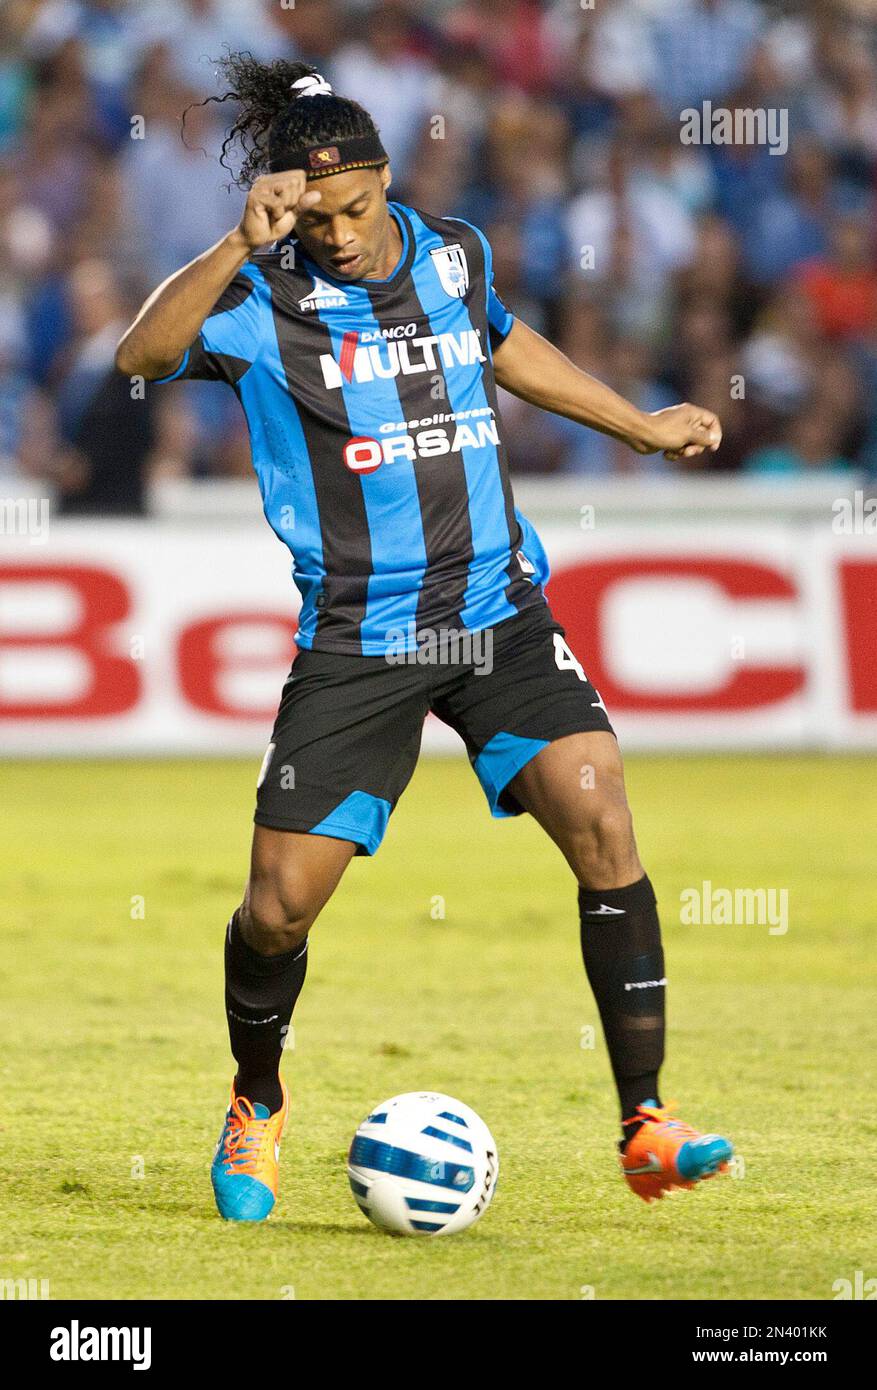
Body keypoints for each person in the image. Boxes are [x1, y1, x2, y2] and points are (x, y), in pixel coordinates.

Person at [116, 58, 732, 1221]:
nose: (341, 236)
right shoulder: (259, 296)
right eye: (316, 215)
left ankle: (646, 1122)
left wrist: (636, 426)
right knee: (278, 907)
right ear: (284, 204)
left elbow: (504, 344)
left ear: (385, 182)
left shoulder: (451, 249)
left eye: (354, 210)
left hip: (494, 608)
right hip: (358, 636)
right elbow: (140, 357)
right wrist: (238, 245)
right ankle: (257, 1099)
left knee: (600, 811)